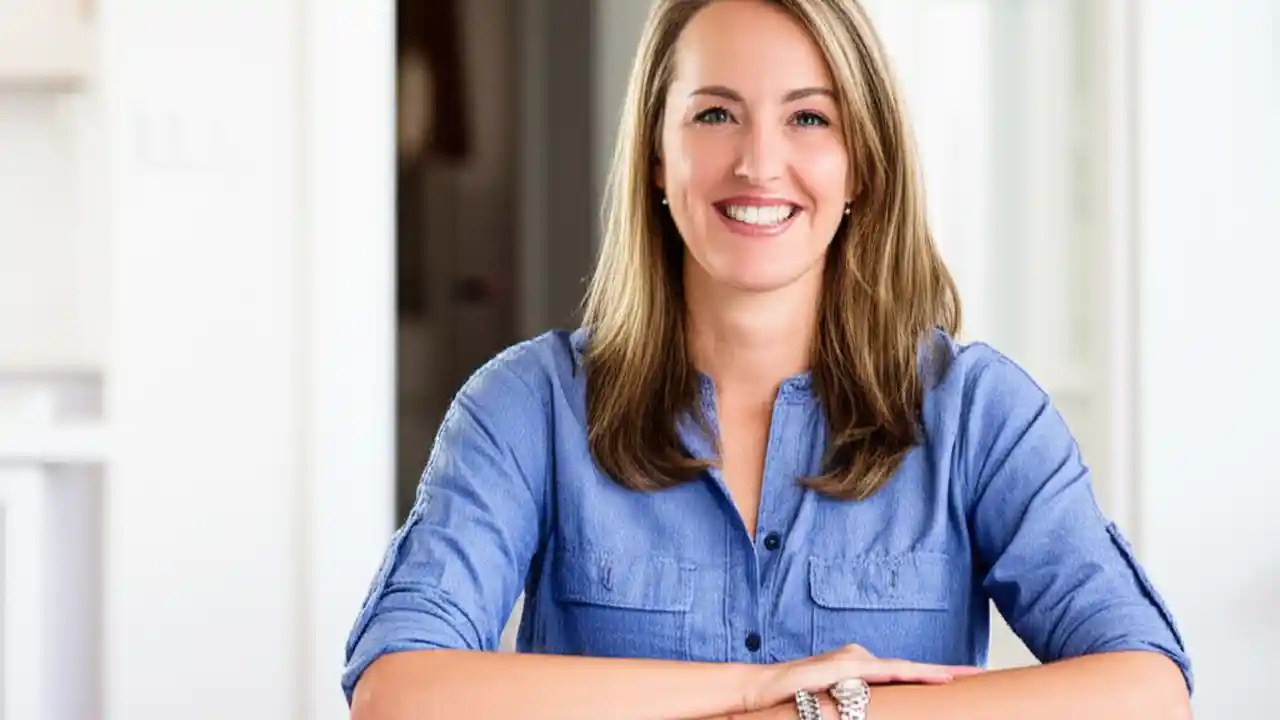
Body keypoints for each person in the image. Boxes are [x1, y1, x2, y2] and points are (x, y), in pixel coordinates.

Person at [343, 1, 1192, 718]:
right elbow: (400, 690)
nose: (757, 163)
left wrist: (813, 714)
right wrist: (753, 686)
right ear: (655, 157)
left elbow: (1146, 687)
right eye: (714, 114)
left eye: (808, 117)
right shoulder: (528, 406)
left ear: (862, 162)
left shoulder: (977, 412)